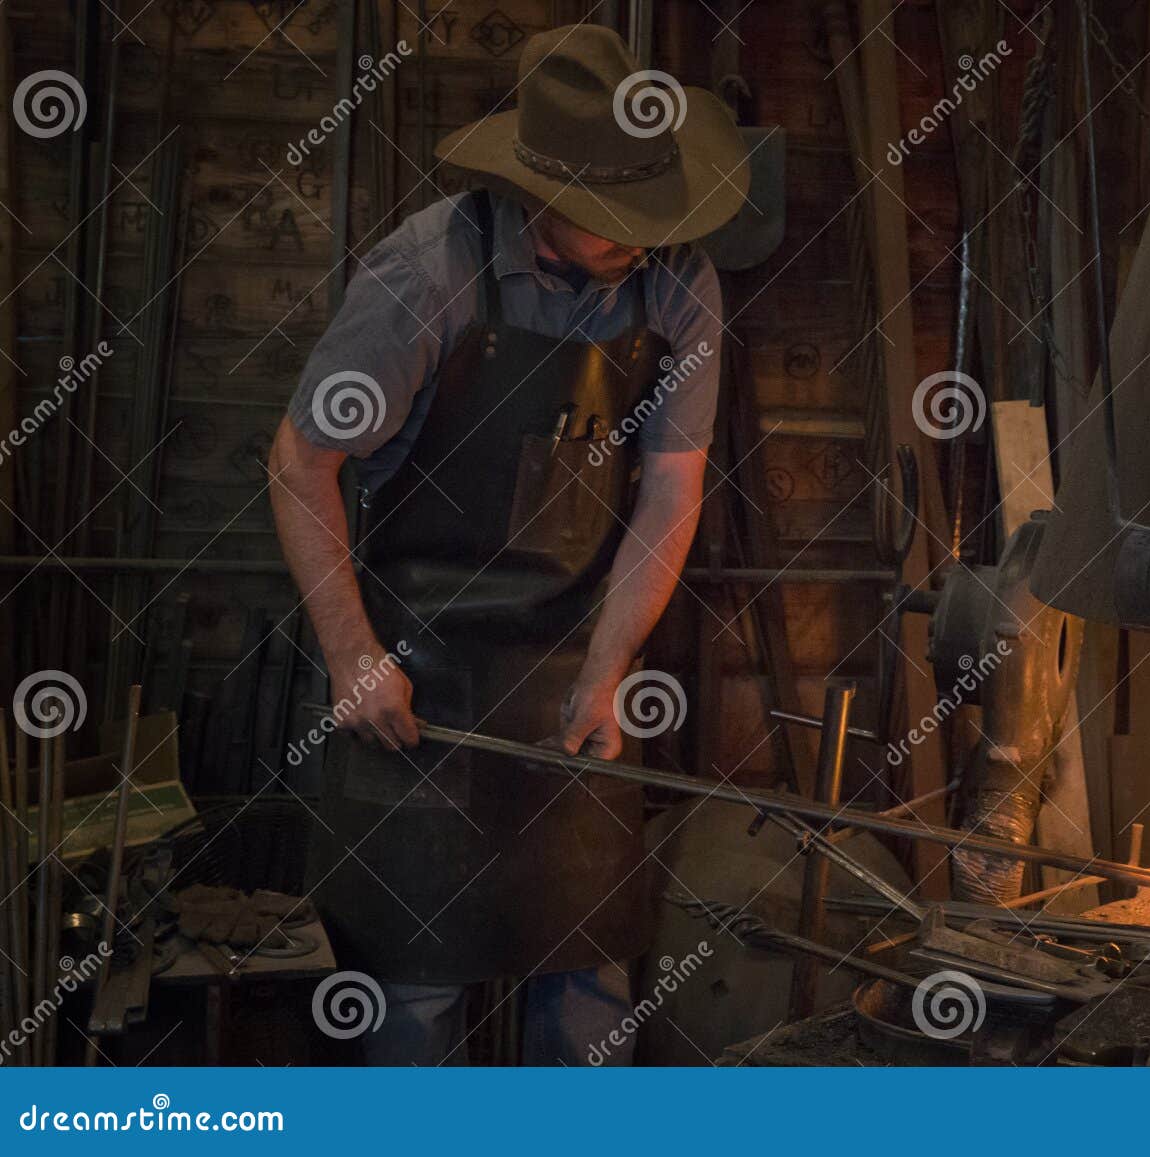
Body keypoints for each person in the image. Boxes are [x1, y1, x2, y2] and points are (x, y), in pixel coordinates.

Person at [266, 23, 747, 1064]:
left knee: (586, 987)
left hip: (573, 664)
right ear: (539, 190)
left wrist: (610, 666)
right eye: (611, 214)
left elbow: (670, 487)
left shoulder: (677, 284)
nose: (640, 234)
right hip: (413, 669)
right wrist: (353, 656)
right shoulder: (422, 276)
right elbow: (300, 462)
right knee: (414, 999)